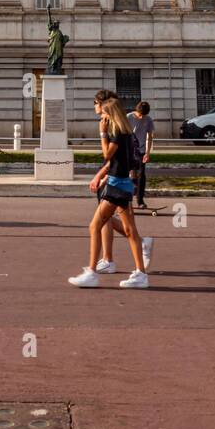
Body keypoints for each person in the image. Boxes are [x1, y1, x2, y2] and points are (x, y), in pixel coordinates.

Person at [69, 92, 151, 289]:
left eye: (103, 113)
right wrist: (103, 175)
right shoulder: (127, 132)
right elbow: (120, 161)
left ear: (109, 113)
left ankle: (92, 272)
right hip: (123, 183)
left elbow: (107, 155)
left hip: (116, 185)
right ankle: (140, 273)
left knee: (94, 225)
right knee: (130, 231)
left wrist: (102, 132)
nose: (101, 117)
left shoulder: (116, 132)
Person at [129, 100, 154, 209]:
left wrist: (147, 153)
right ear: (136, 110)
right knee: (130, 174)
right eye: (139, 115)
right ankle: (127, 198)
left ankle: (140, 201)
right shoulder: (128, 117)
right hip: (129, 150)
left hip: (141, 151)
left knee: (142, 175)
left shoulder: (148, 120)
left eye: (143, 115)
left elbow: (150, 136)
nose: (141, 117)